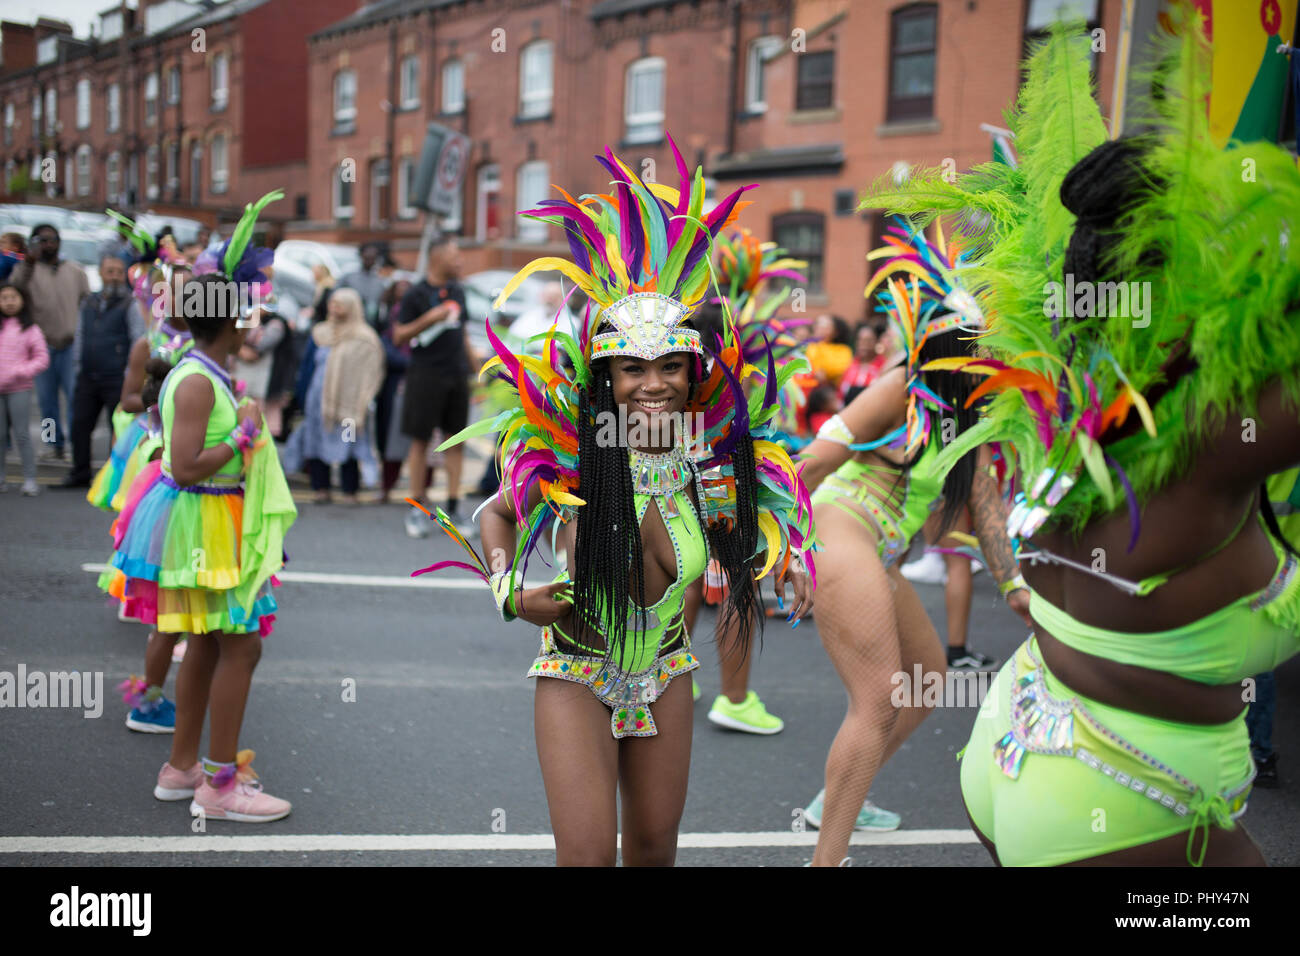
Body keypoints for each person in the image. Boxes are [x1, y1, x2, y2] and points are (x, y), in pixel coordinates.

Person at [878, 22, 1300, 866]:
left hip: (1017, 739)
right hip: (1115, 797)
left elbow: (987, 488)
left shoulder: (1050, 401)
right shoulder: (1213, 442)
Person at [423, 137, 816, 865]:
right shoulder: (573, 456)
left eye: (669, 367)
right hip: (576, 674)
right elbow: (495, 513)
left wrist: (787, 556)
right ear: (605, 378)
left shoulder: (709, 458)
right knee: (588, 859)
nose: (653, 384)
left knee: (655, 851)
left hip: (668, 672)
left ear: (693, 373)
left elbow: (750, 525)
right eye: (632, 369)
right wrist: (507, 590)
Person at [795, 221, 1029, 867]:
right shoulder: (901, 386)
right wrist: (778, 546)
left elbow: (985, 503)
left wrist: (1013, 585)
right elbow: (813, 462)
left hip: (881, 549)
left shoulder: (976, 411)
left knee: (926, 682)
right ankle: (826, 860)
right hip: (841, 526)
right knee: (878, 697)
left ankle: (839, 795)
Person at [100, 191, 297, 821]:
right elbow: (184, 466)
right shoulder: (195, 381)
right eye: (247, 313)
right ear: (228, 323)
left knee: (209, 645)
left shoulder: (202, 371)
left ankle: (182, 768)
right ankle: (218, 783)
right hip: (203, 520)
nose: (253, 322)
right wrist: (243, 436)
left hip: (210, 518)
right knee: (241, 647)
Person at [392, 235, 473, 534]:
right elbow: (399, 336)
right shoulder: (415, 294)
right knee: (420, 440)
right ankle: (417, 508)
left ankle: (453, 506)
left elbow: (462, 332)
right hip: (425, 374)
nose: (460, 260)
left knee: (456, 439)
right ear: (437, 257)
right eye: (455, 255)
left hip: (456, 373)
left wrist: (477, 369)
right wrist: (430, 318)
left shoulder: (458, 291)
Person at [283, 287, 384, 504]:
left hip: (350, 406)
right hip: (318, 402)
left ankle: (349, 489)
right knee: (316, 441)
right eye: (332, 303)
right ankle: (321, 487)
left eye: (340, 304)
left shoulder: (364, 337)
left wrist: (364, 398)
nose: (334, 308)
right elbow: (307, 366)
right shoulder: (320, 333)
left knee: (349, 444)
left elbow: (372, 372)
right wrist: (301, 395)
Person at [57, 255, 145, 489]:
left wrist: (130, 374)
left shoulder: (130, 304)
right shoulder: (88, 302)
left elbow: (138, 339)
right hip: (88, 375)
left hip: (117, 377)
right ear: (101, 273)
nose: (114, 276)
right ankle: (80, 473)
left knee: (117, 428)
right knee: (79, 425)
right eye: (110, 271)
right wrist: (78, 366)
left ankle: (112, 479)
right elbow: (80, 334)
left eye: (119, 272)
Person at [12, 223, 90, 461]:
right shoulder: (27, 270)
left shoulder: (75, 271)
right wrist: (28, 262)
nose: (48, 245)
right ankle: (52, 443)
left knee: (75, 398)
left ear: (59, 242)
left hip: (70, 345)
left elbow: (86, 304)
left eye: (52, 240)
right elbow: (14, 291)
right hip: (42, 347)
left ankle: (76, 444)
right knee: (47, 402)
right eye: (42, 240)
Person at [0, 283, 50, 495]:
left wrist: (20, 371)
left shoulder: (30, 329)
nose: (9, 302)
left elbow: (42, 358)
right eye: (4, 298)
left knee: (21, 434)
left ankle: (30, 480)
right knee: (0, 436)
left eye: (13, 297)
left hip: (19, 388)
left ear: (22, 301)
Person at [506, 280, 578, 353]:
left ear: (565, 299)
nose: (550, 300)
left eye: (555, 296)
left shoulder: (572, 323)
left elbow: (558, 348)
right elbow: (512, 335)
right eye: (547, 295)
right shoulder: (529, 315)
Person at [337, 243, 387, 330]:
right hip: (346, 322)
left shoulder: (379, 281)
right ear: (361, 256)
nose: (370, 260)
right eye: (367, 257)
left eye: (372, 258)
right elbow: (336, 295)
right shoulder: (349, 276)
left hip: (369, 325)